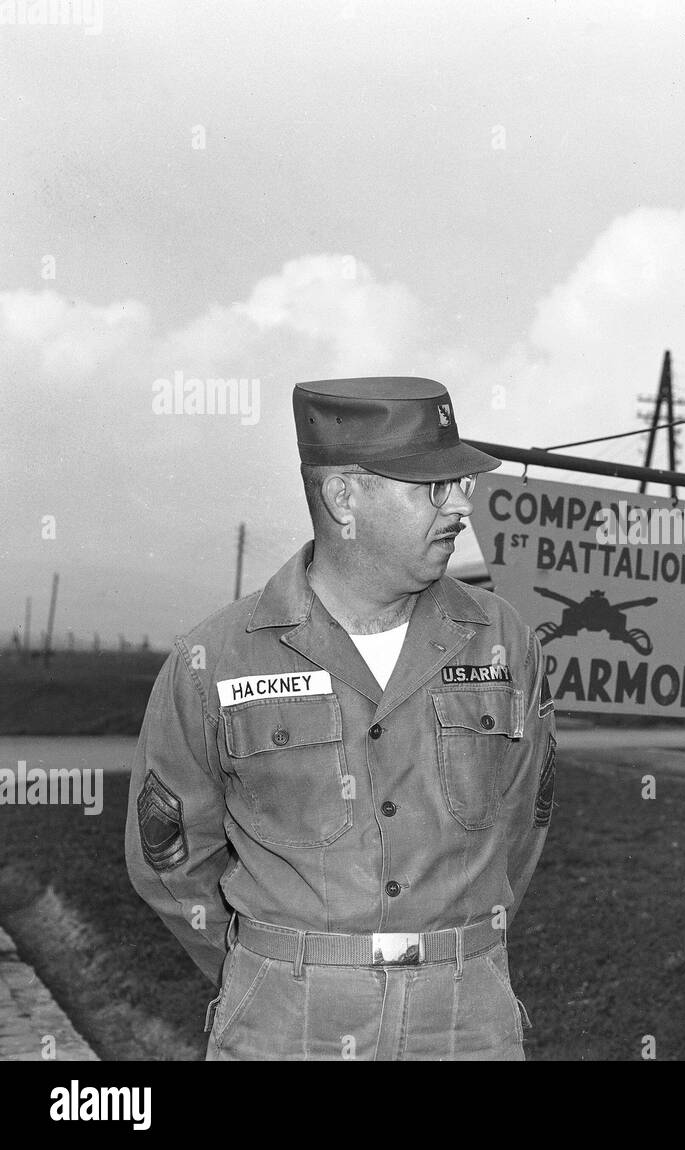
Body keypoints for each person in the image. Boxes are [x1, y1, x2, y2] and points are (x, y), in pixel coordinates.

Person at [125, 376, 557, 1061]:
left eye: (460, 484)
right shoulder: (217, 659)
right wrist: (273, 968)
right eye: (432, 488)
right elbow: (169, 859)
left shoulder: (505, 641)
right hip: (286, 1022)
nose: (459, 506)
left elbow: (523, 824)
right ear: (343, 498)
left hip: (464, 1021)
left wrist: (455, 950)